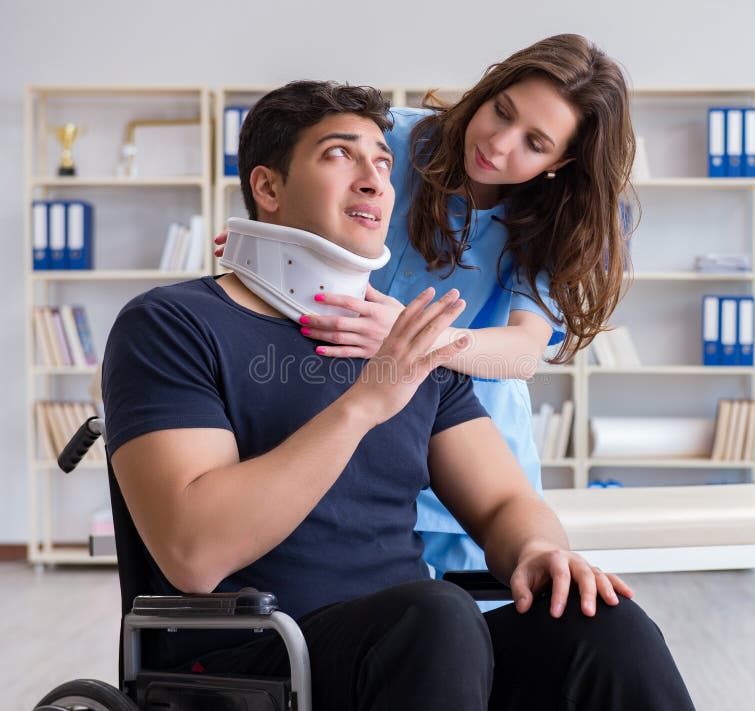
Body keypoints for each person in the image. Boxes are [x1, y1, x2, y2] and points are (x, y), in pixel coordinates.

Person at [106, 80, 693, 710]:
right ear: (268, 189)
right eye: (339, 155)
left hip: (418, 652)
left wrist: (541, 551)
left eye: (384, 163)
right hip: (254, 659)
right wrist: (366, 403)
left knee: (604, 625)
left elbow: (501, 502)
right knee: (435, 615)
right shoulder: (171, 325)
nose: (375, 181)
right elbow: (194, 554)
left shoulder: (413, 343)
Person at [215, 34, 637, 581]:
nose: (498, 144)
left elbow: (522, 353)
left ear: (565, 160)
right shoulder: (390, 141)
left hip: (466, 451)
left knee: (483, 637)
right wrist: (267, 244)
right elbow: (299, 197)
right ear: (488, 88)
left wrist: (412, 339)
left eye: (534, 143)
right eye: (500, 111)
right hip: (334, 428)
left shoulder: (562, 218)